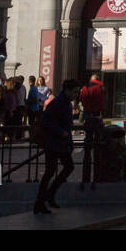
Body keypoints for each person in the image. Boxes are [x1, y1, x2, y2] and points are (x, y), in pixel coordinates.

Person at [35, 79, 80, 215]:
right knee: (52, 171)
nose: (76, 95)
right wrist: (61, 132)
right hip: (55, 142)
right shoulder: (58, 103)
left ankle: (47, 197)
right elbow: (46, 121)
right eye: (75, 92)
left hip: (60, 143)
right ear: (67, 90)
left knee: (61, 169)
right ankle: (43, 200)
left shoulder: (65, 103)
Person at [78, 72, 105, 185]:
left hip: (88, 115)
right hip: (97, 115)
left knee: (88, 144)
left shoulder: (85, 87)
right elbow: (102, 101)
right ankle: (97, 176)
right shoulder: (101, 87)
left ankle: (86, 177)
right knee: (98, 144)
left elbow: (82, 100)